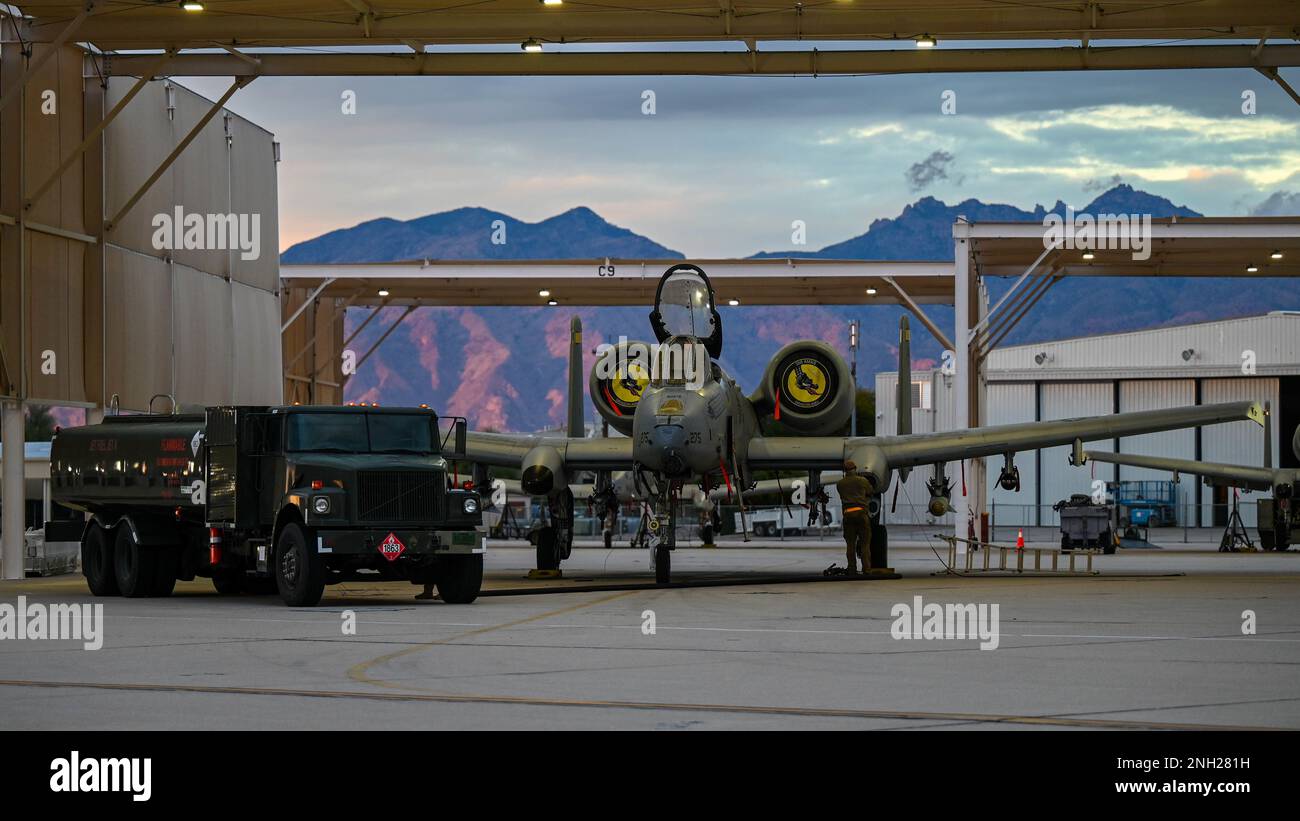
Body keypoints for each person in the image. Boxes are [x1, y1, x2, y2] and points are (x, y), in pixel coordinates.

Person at [836, 460, 873, 574]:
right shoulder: (862, 480)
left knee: (850, 544)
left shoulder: (840, 484)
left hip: (848, 515)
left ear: (845, 471)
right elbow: (871, 491)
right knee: (865, 543)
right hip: (861, 514)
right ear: (855, 469)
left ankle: (852, 568)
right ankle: (866, 569)